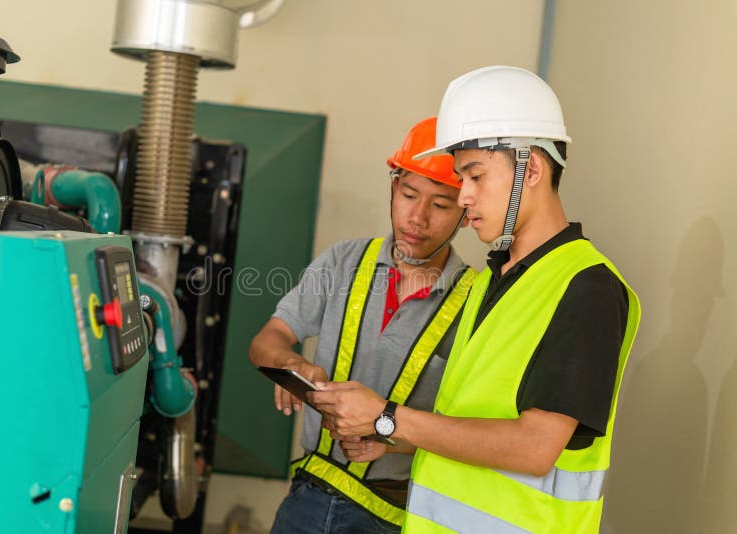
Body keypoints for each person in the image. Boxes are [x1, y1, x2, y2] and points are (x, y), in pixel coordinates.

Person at [310, 66, 641, 533]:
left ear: (532, 169)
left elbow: (534, 448)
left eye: (475, 175)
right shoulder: (493, 279)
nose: (463, 196)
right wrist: (396, 439)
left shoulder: (588, 289)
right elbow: (474, 424)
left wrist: (388, 419)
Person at [248, 117, 476, 533]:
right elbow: (268, 340)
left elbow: (474, 434)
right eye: (409, 194)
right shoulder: (344, 260)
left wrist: (393, 438)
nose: (418, 218)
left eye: (441, 205)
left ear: (466, 213)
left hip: (393, 516)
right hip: (306, 496)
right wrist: (289, 364)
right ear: (393, 186)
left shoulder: (476, 301)